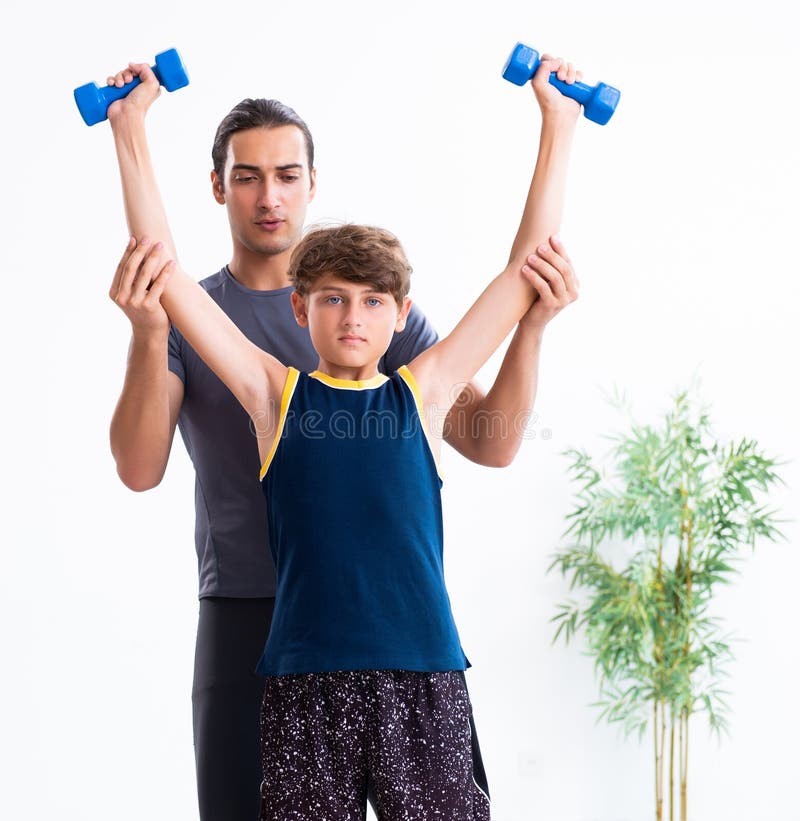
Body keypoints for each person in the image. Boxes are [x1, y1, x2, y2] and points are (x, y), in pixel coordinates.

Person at [103, 54, 580, 820]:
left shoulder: (422, 390)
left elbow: (524, 273)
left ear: (400, 313)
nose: (353, 317)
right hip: (300, 678)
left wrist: (559, 123)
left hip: (420, 676)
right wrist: (128, 127)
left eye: (372, 302)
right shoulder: (274, 396)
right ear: (302, 309)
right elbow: (165, 275)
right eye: (331, 300)